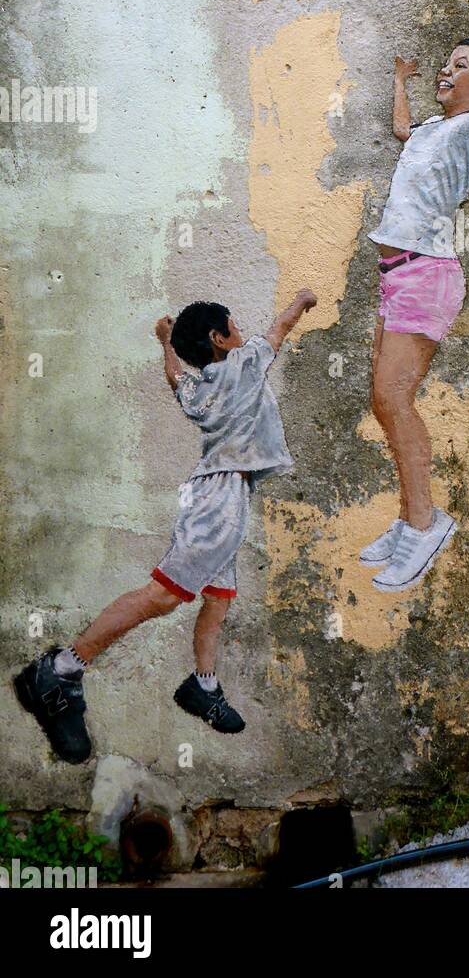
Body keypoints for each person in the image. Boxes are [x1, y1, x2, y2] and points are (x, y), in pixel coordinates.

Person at [14, 289, 317, 764]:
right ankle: (61, 668)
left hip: (225, 495)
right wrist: (301, 300)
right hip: (219, 499)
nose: (242, 333)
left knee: (218, 598)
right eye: (233, 327)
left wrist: (164, 342)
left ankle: (203, 684)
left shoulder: (199, 389)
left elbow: (175, 377)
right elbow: (280, 329)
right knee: (164, 595)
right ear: (220, 339)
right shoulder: (244, 364)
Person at [361, 0, 469, 593]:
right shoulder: (434, 129)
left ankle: (425, 523)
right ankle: (412, 522)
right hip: (396, 276)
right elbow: (403, 132)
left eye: (460, 66)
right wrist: (401, 82)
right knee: (385, 402)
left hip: (425, 275)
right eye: (446, 62)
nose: (446, 69)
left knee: (393, 400)